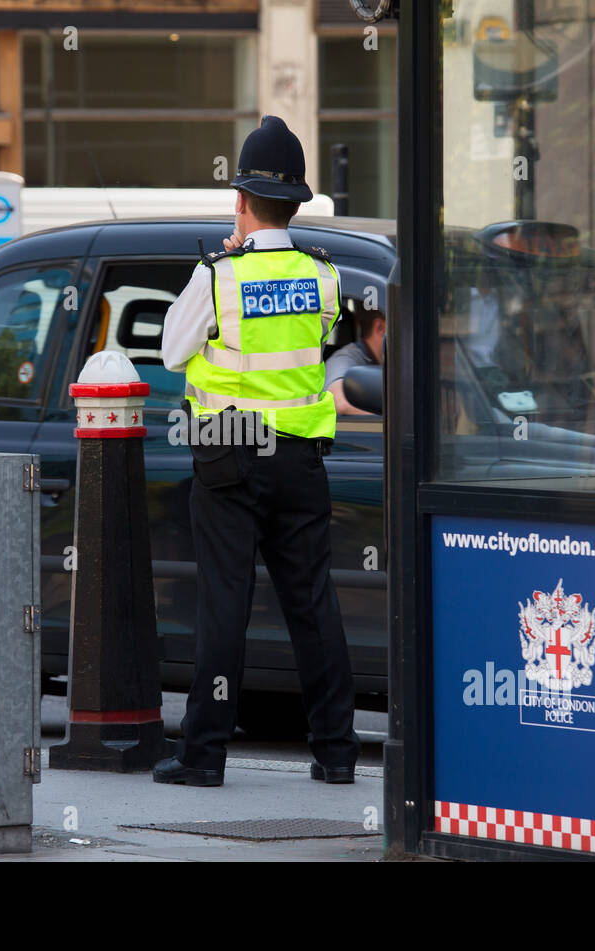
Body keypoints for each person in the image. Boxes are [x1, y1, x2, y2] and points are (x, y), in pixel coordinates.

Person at [154, 115, 360, 787]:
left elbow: (172, 348)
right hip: (301, 457)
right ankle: (335, 753)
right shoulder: (325, 277)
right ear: (296, 204)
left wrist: (222, 260)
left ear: (240, 202)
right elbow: (322, 331)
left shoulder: (218, 275)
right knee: (313, 604)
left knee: (225, 603)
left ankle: (204, 756)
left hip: (227, 449)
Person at [324, 307, 384, 415]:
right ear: (380, 327)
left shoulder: (378, 360)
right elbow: (341, 403)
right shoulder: (343, 360)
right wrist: (395, 419)